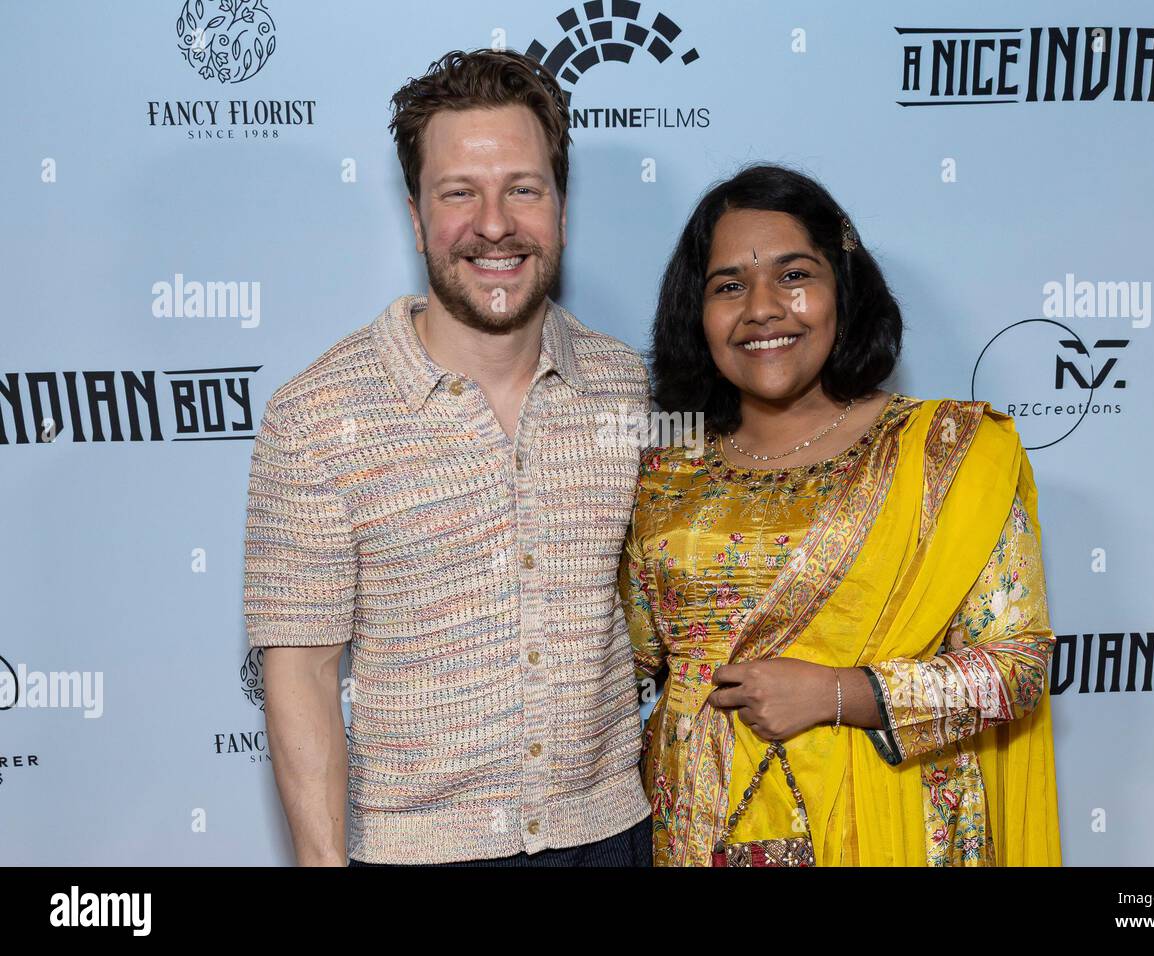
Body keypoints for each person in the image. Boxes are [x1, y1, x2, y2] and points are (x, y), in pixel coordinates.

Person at [242, 49, 651, 866]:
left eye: (522, 190)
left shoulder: (629, 389)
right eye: (459, 192)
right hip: (414, 854)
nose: (494, 224)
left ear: (561, 209)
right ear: (416, 214)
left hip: (614, 838)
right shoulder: (315, 415)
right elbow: (303, 675)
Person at [620, 164, 1061, 866]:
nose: (762, 307)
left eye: (794, 275)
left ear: (843, 289)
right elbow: (630, 666)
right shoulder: (662, 476)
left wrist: (838, 694)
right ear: (695, 314)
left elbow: (1019, 670)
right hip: (698, 830)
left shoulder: (945, 455)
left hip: (887, 825)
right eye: (728, 285)